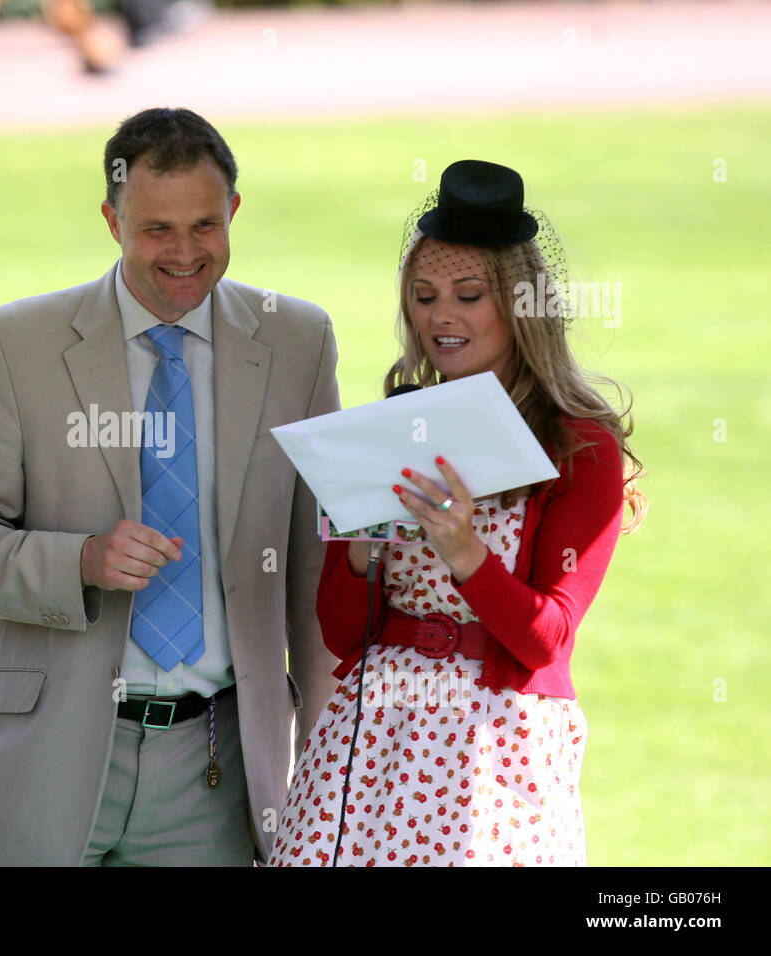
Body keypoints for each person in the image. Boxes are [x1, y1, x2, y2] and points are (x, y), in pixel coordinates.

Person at [0, 107, 340, 866]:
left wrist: (330, 756)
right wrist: (80, 562)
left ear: (234, 211)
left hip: (217, 770)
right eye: (156, 231)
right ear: (112, 221)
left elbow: (313, 570)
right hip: (47, 756)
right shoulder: (19, 344)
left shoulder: (297, 342)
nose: (184, 254)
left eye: (205, 226)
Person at [269, 160, 647, 867]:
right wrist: (359, 548)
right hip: (370, 740)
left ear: (522, 306)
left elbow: (545, 640)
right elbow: (343, 635)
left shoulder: (579, 441)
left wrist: (462, 549)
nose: (441, 316)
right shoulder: (391, 425)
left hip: (496, 751)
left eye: (469, 295)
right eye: (424, 295)